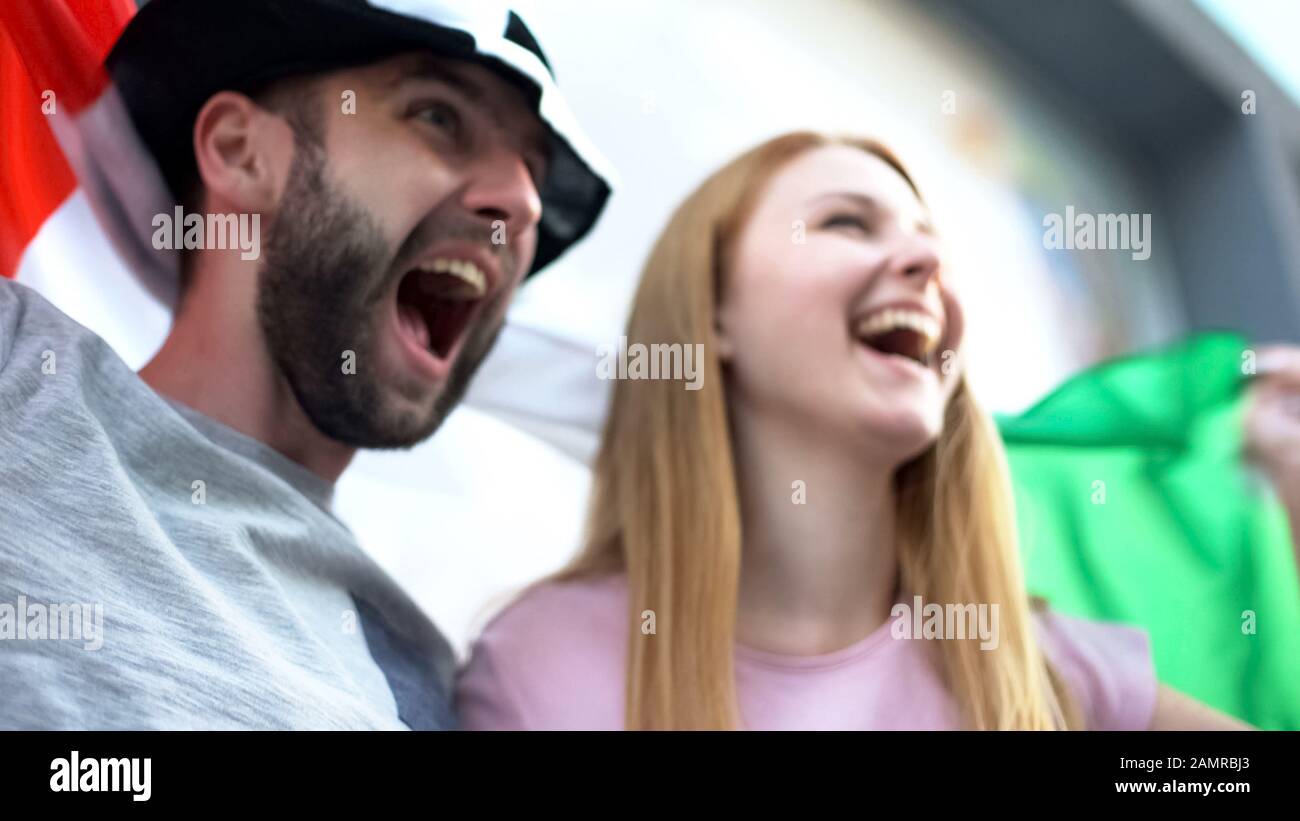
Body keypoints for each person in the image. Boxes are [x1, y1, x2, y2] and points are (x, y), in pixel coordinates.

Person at [455, 131, 1252, 729]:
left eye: (928, 238)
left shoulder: (1052, 673)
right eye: (846, 223)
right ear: (712, 312)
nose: (923, 260)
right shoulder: (540, 670)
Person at [0, 0, 611, 729]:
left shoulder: (426, 690)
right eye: (438, 116)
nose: (521, 203)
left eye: (532, 176)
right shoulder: (15, 368)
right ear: (238, 150)